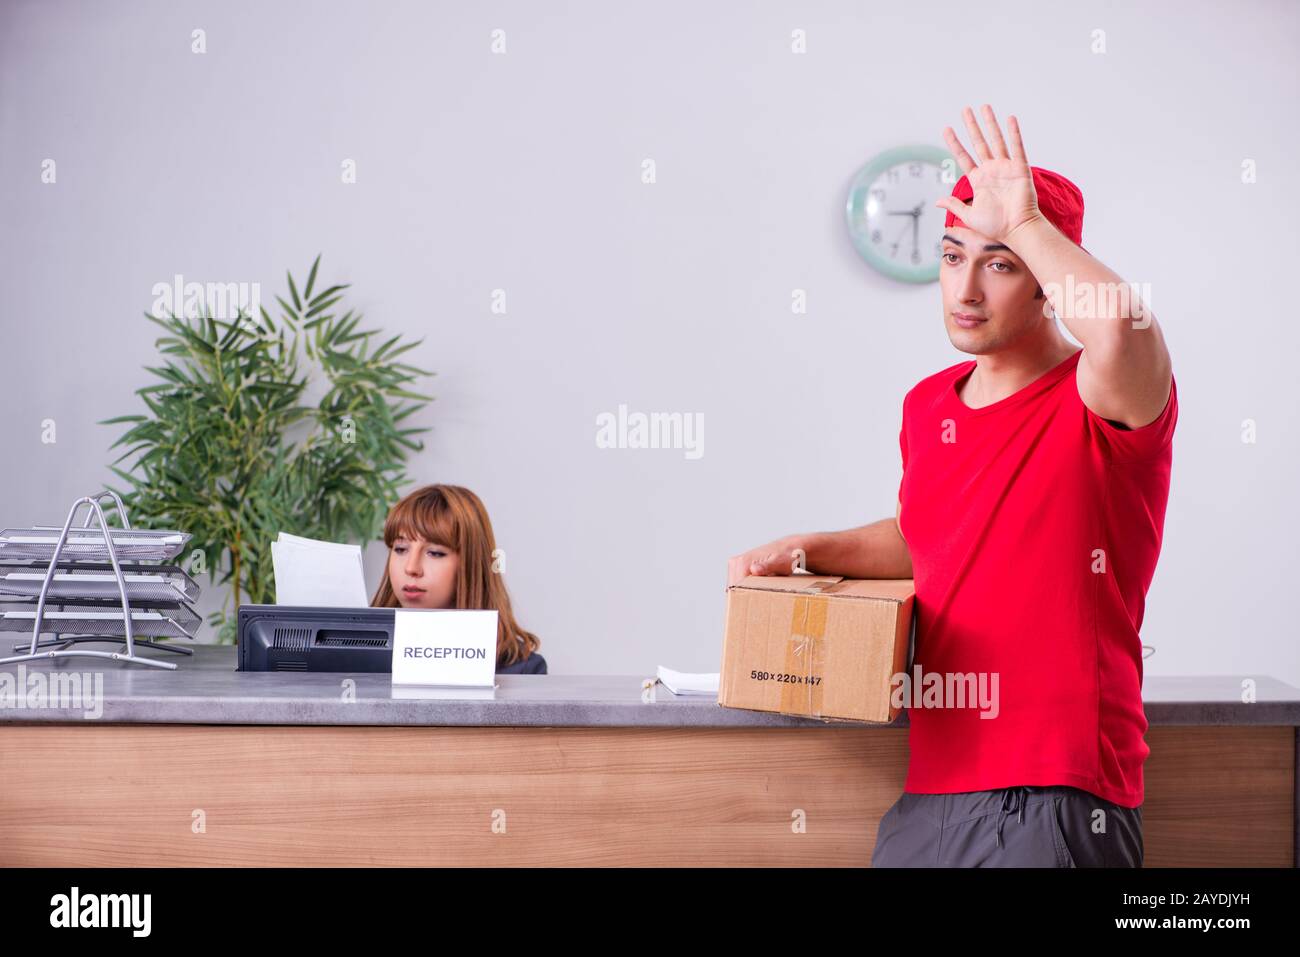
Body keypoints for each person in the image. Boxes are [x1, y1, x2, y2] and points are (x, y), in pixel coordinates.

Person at [727, 105, 1174, 867]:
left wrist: (1027, 221)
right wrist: (808, 549)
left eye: (999, 262)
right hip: (930, 790)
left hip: (1055, 792)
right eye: (952, 255)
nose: (965, 287)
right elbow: (929, 534)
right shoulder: (927, 404)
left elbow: (1123, 327)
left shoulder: (1102, 393)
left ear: (1048, 278)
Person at [371, 484, 546, 674]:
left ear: (471, 563)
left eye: (435, 553)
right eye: (400, 549)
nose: (411, 568)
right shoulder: (361, 656)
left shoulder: (523, 670)